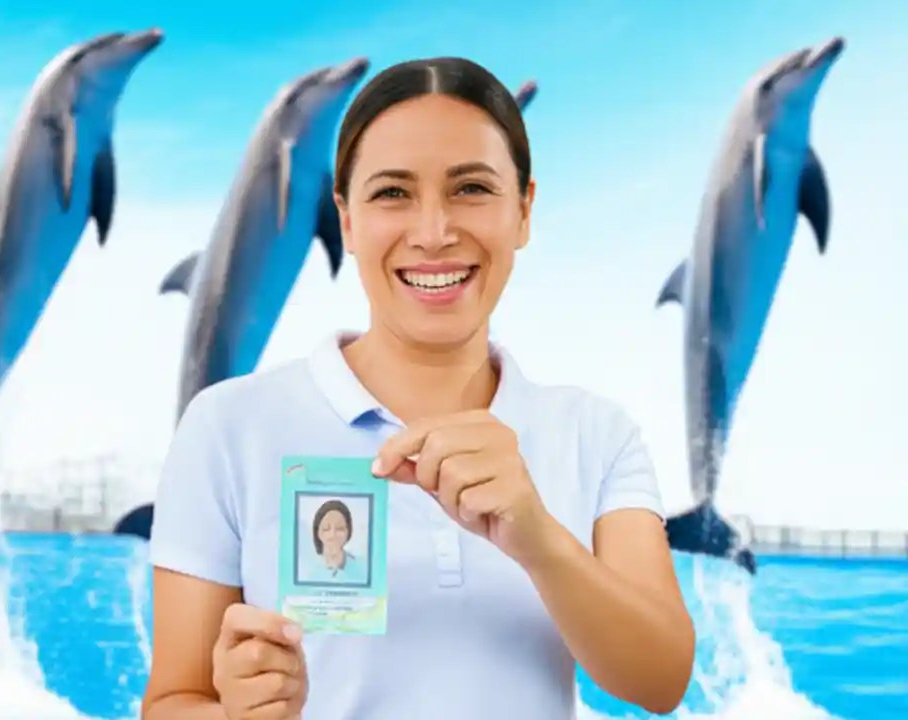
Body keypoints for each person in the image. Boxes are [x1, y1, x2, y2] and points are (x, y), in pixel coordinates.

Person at [140, 56, 695, 720]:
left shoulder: (597, 433)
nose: (433, 233)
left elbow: (661, 681)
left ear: (524, 210)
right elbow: (171, 703)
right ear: (345, 220)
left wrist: (540, 541)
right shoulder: (228, 426)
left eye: (471, 189)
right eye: (393, 194)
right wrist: (237, 714)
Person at [297, 499, 367, 585]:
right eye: (326, 529)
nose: (332, 535)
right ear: (317, 532)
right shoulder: (309, 571)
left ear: (348, 531)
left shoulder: (362, 566)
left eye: (340, 528)